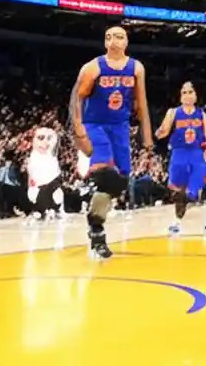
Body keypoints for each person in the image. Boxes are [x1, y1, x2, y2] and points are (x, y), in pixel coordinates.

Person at [70, 25, 153, 260]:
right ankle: (86, 190)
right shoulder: (93, 67)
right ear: (104, 43)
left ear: (127, 41)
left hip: (120, 126)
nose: (113, 40)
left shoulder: (136, 68)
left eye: (119, 36)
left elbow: (142, 102)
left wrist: (147, 136)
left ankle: (95, 223)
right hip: (95, 124)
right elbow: (77, 98)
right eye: (108, 37)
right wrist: (78, 128)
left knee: (119, 181)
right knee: (105, 168)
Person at [156, 81, 206, 236]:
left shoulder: (203, 115)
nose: (187, 95)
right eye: (184, 92)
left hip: (198, 153)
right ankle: (177, 222)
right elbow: (163, 131)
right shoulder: (173, 112)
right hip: (179, 153)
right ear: (180, 96)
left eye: (190, 92)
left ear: (196, 96)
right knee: (178, 191)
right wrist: (158, 133)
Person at [26, 126, 66, 220]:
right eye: (40, 138)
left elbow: (53, 141)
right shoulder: (33, 156)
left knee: (54, 192)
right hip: (39, 183)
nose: (44, 142)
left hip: (51, 180)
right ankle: (43, 211)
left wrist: (52, 134)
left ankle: (53, 210)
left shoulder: (49, 152)